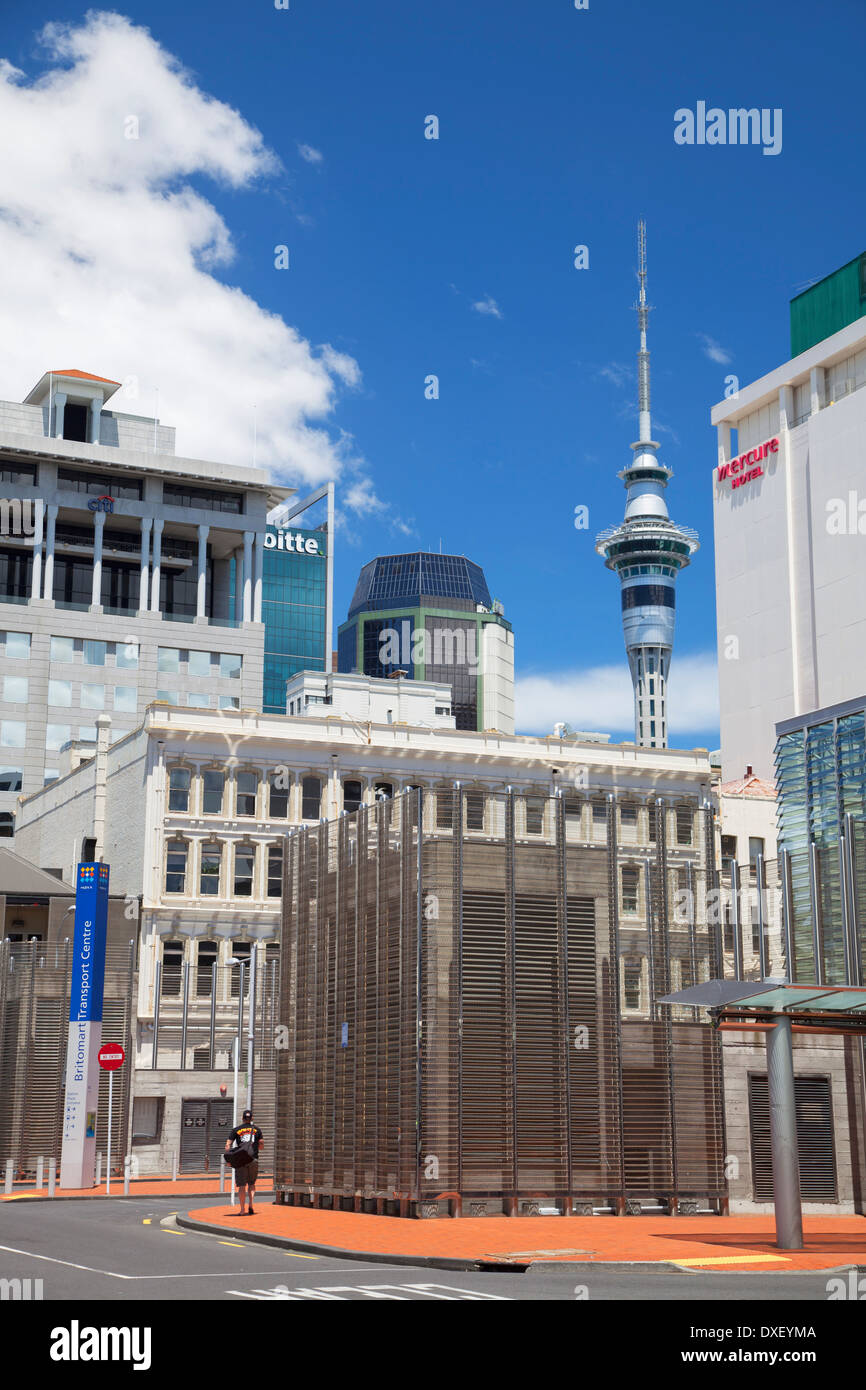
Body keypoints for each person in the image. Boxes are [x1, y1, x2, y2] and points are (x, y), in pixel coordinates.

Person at [226, 1109, 263, 1215]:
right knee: (251, 1183)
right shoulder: (257, 1130)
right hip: (253, 1159)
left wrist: (229, 1160)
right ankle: (251, 1205)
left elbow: (227, 1145)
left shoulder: (236, 1130)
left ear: (242, 1118)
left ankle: (242, 1210)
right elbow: (261, 1145)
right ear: (252, 1119)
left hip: (241, 1159)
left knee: (242, 1185)